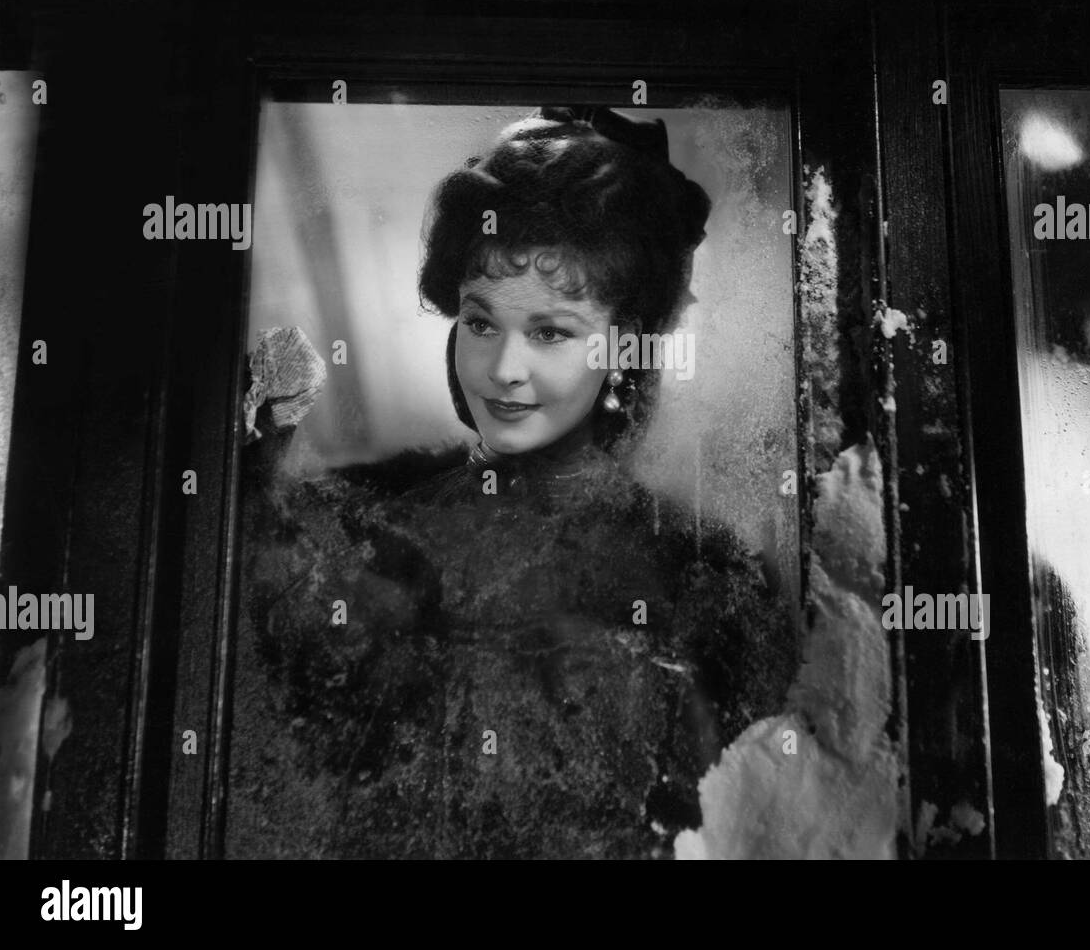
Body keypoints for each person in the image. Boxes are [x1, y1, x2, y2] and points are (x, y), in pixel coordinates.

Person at [233, 106, 798, 859]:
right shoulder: (374, 516)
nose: (503, 369)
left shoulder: (702, 575)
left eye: (550, 332)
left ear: (622, 346)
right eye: (480, 321)